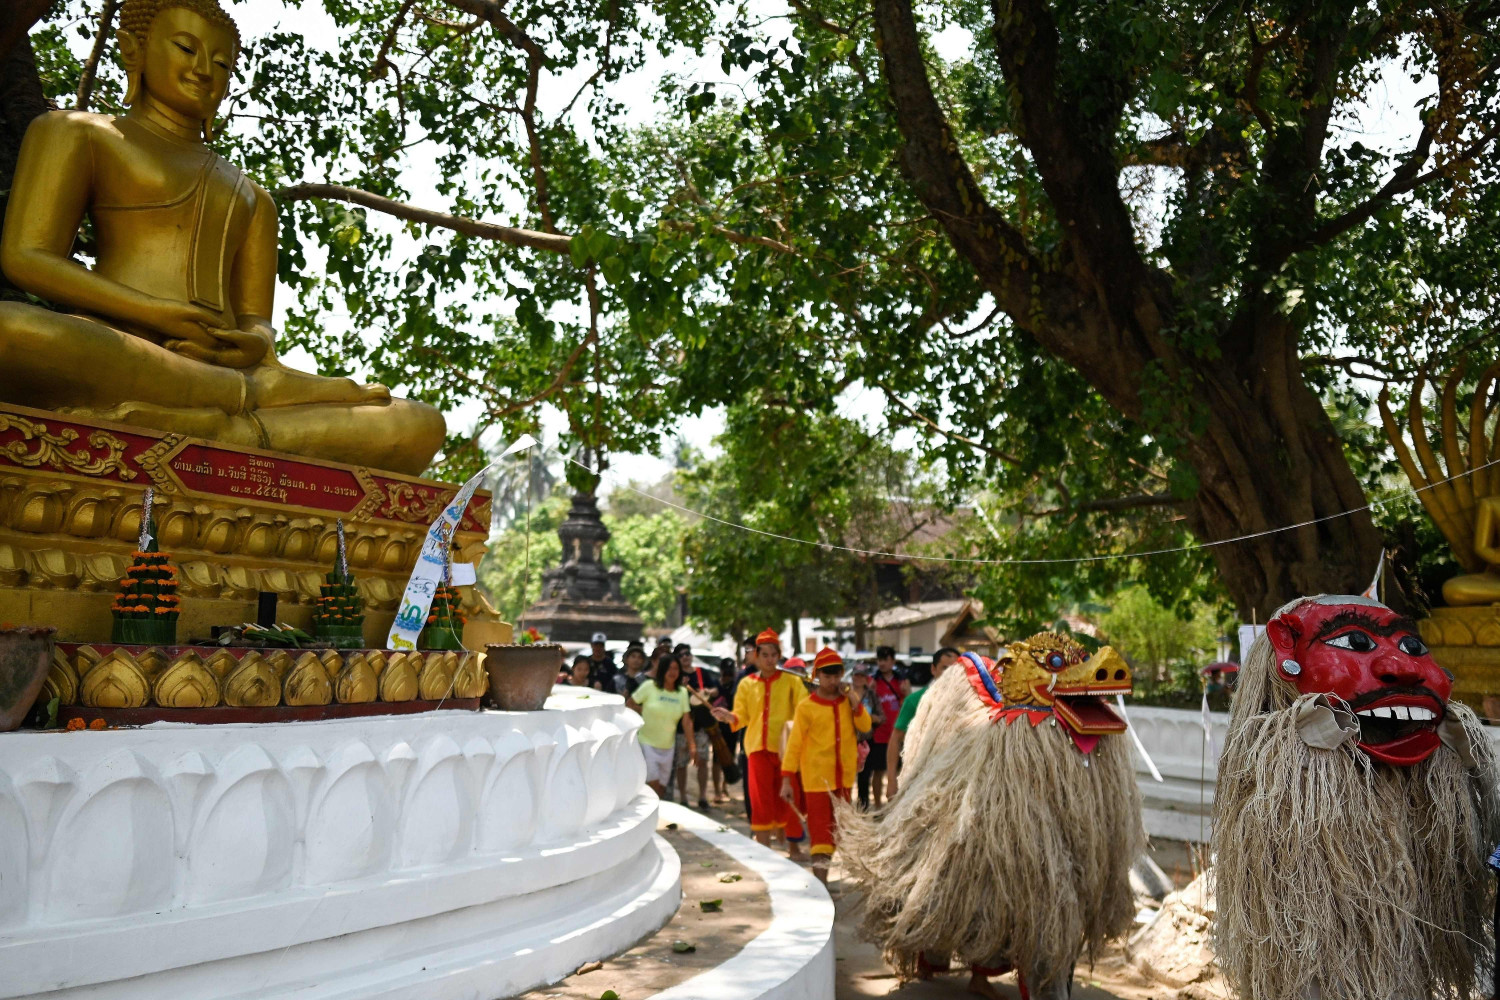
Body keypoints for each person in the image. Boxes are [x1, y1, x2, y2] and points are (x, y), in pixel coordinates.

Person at [1214, 594, 1499, 1000]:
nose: (1398, 666)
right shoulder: (1277, 788)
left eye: (1412, 647)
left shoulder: (1439, 776)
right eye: (1353, 643)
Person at [837, 638, 1143, 999]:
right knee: (983, 894)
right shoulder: (982, 740)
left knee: (1048, 902)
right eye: (1056, 663)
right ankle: (949, 958)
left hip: (1042, 848)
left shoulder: (1073, 745)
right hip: (983, 836)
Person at [713, 628, 807, 860]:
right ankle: (765, 853)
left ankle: (794, 849)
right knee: (761, 801)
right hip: (756, 748)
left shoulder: (792, 681)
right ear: (756, 656)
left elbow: (805, 710)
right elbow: (741, 716)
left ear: (779, 655)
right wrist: (728, 717)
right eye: (764, 655)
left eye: (773, 655)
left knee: (788, 798)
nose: (769, 659)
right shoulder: (747, 684)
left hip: (786, 749)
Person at [781, 648, 870, 883]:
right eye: (827, 676)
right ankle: (821, 885)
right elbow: (794, 745)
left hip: (843, 778)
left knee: (839, 832)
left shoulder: (847, 702)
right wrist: (787, 779)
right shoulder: (806, 707)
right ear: (816, 676)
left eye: (836, 676)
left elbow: (865, 724)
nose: (832, 681)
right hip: (816, 780)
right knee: (820, 832)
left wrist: (852, 697)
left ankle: (826, 882)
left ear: (842, 675)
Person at [886, 646, 959, 797]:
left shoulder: (966, 703)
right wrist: (892, 781)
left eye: (955, 669)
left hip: (952, 783)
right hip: (917, 781)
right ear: (933, 669)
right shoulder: (914, 701)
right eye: (944, 668)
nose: (949, 674)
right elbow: (895, 739)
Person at [626, 655, 695, 798]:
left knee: (661, 789)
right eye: (669, 668)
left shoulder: (682, 693)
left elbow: (686, 721)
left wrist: (692, 746)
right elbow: (630, 703)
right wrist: (643, 712)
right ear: (662, 670)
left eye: (676, 668)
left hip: (668, 747)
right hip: (646, 743)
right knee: (653, 786)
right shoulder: (649, 686)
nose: (672, 672)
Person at [673, 644, 719, 810]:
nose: (685, 657)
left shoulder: (701, 673)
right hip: (680, 727)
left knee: (703, 760)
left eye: (687, 653)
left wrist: (708, 691)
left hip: (700, 726)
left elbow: (716, 689)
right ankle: (684, 797)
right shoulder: (674, 674)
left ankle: (702, 796)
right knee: (681, 763)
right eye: (681, 655)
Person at [866, 646, 909, 808]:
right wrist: (870, 691)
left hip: (898, 733)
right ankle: (877, 805)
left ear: (892, 660)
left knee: (899, 772)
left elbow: (908, 702)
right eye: (879, 660)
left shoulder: (902, 680)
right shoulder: (873, 681)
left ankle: (896, 805)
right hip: (880, 734)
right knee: (878, 771)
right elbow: (867, 703)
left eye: (885, 659)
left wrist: (906, 692)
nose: (882, 663)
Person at [850, 663, 884, 809]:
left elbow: (882, 717)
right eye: (856, 675)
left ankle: (862, 810)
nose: (859, 678)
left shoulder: (871, 695)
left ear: (866, 678)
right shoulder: (846, 693)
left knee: (864, 778)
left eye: (862, 676)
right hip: (848, 740)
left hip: (866, 742)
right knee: (846, 778)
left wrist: (869, 718)